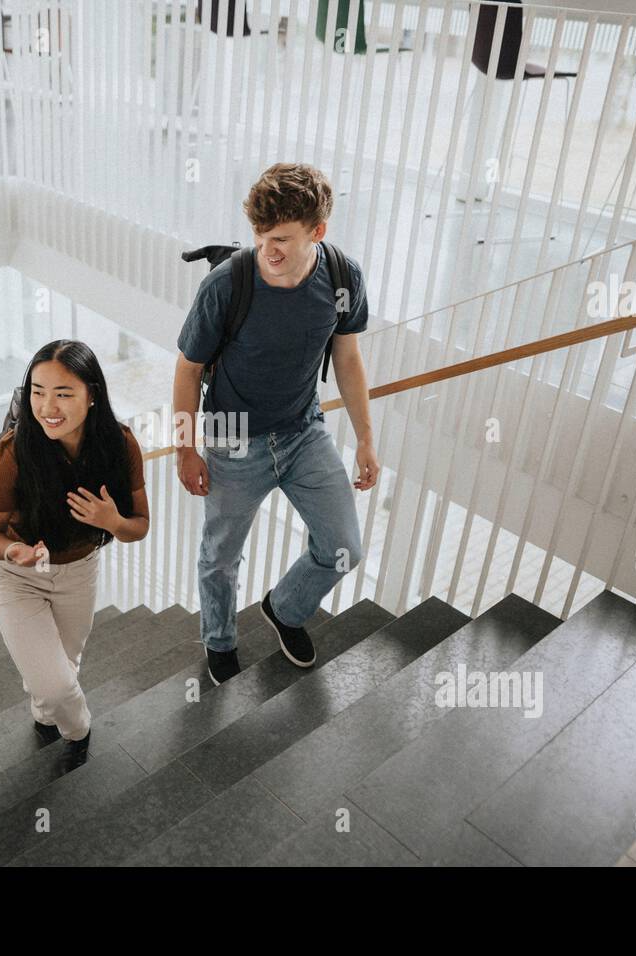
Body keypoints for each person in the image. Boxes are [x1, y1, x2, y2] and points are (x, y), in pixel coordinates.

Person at [173, 162, 380, 685]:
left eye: (283, 238)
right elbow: (188, 366)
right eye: (262, 236)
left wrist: (366, 438)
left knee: (344, 549)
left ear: (318, 232)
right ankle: (219, 640)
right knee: (220, 557)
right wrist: (186, 448)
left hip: (302, 431)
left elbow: (348, 359)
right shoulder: (228, 284)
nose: (269, 248)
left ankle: (284, 609)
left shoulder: (341, 277)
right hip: (231, 437)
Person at [0, 340, 149, 772]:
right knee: (56, 686)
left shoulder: (120, 444)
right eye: (37, 391)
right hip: (16, 574)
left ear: (92, 394)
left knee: (63, 666)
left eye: (63, 393)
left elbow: (139, 526)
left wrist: (112, 521)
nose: (47, 407)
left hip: (78, 570)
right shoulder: (14, 452)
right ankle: (79, 731)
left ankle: (44, 714)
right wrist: (15, 550)